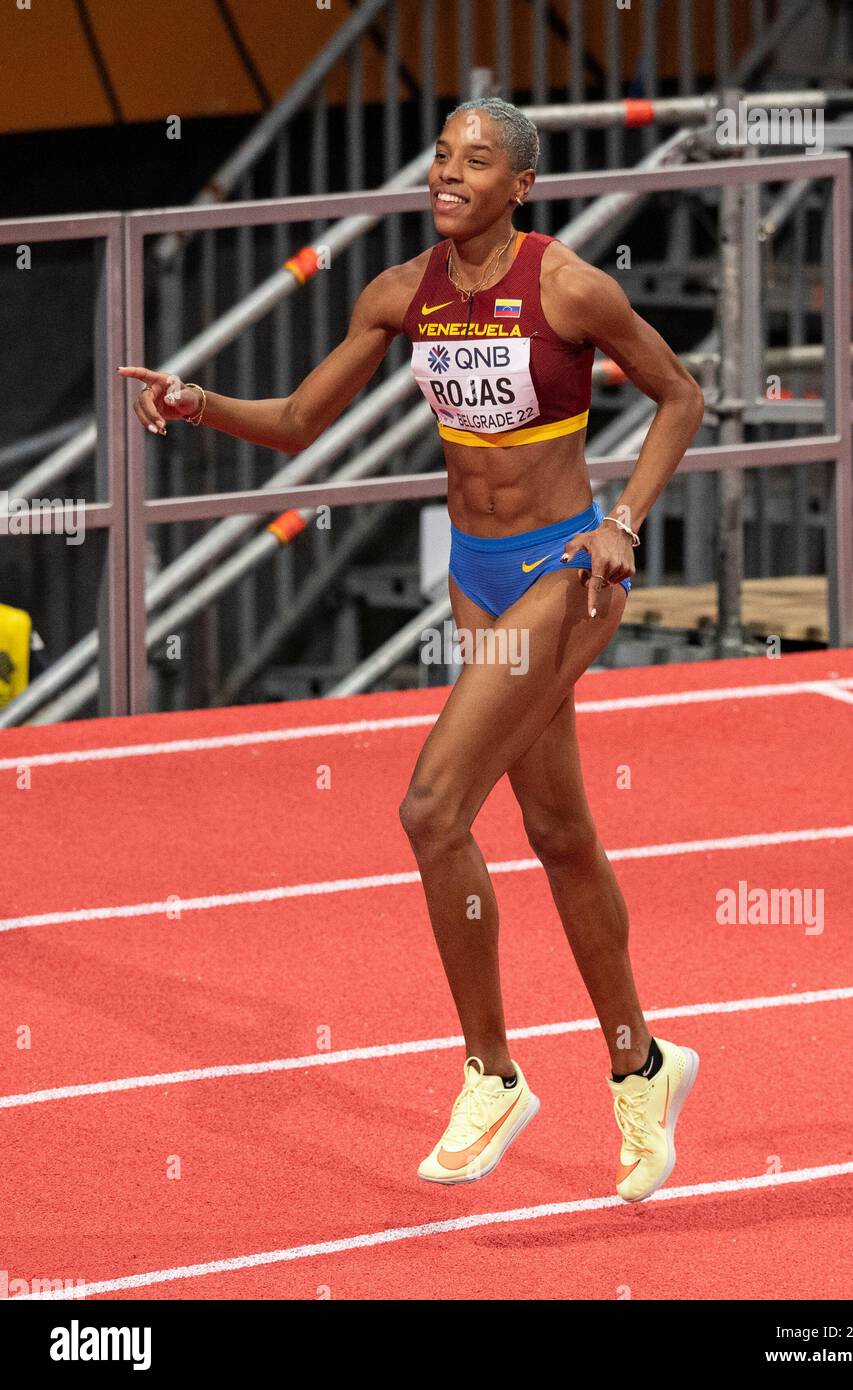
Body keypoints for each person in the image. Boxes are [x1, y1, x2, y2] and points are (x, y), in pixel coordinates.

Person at [120, 97, 706, 1203]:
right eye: (441, 155)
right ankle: (640, 1062)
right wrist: (194, 402)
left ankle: (491, 1070)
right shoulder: (402, 294)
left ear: (518, 185)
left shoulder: (569, 285)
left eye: (475, 160)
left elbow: (680, 394)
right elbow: (298, 420)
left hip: (564, 572)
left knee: (433, 807)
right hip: (475, 579)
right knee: (558, 830)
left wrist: (622, 518)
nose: (448, 172)